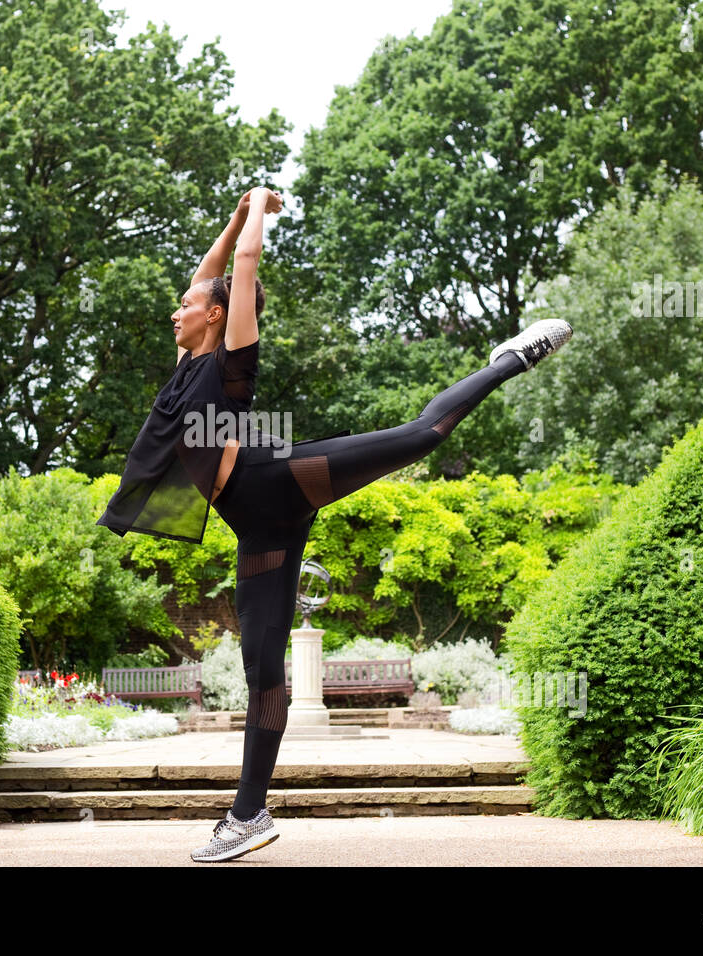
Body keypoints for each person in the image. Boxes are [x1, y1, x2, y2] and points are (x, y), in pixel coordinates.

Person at [95, 187, 572, 862]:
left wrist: (257, 208)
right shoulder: (183, 373)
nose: (178, 308)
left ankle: (508, 360)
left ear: (218, 317)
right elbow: (212, 271)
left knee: (423, 432)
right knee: (262, 669)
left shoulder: (229, 367)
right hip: (258, 530)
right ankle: (249, 815)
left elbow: (245, 266)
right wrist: (232, 219)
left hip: (281, 479)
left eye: (189, 304)